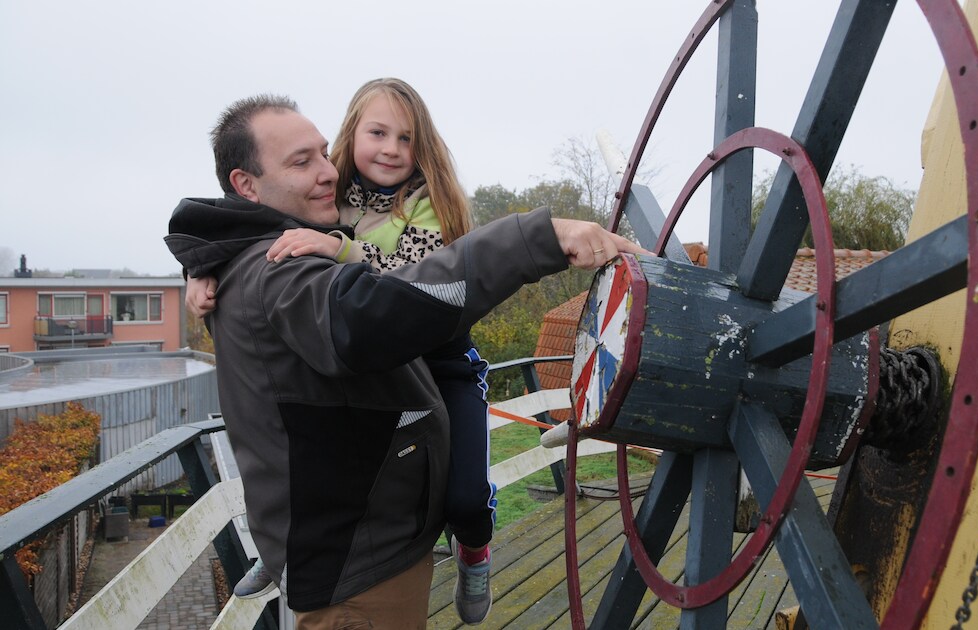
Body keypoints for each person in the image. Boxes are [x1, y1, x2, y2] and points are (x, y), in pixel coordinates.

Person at [165, 94, 643, 629]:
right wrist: (536, 239)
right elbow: (370, 314)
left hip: (360, 541)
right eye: (302, 162)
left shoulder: (298, 239)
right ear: (246, 185)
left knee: (467, 495)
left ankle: (463, 547)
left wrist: (203, 258)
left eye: (324, 155)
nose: (326, 172)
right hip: (357, 568)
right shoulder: (278, 266)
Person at [190, 78, 497, 624]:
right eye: (377, 132)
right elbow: (249, 226)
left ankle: (475, 553)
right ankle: (285, 551)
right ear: (351, 134)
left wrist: (341, 248)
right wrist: (201, 268)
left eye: (407, 139)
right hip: (383, 366)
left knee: (465, 494)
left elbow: (411, 288)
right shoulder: (331, 193)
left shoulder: (425, 205)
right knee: (311, 458)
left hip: (441, 361)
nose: (391, 150)